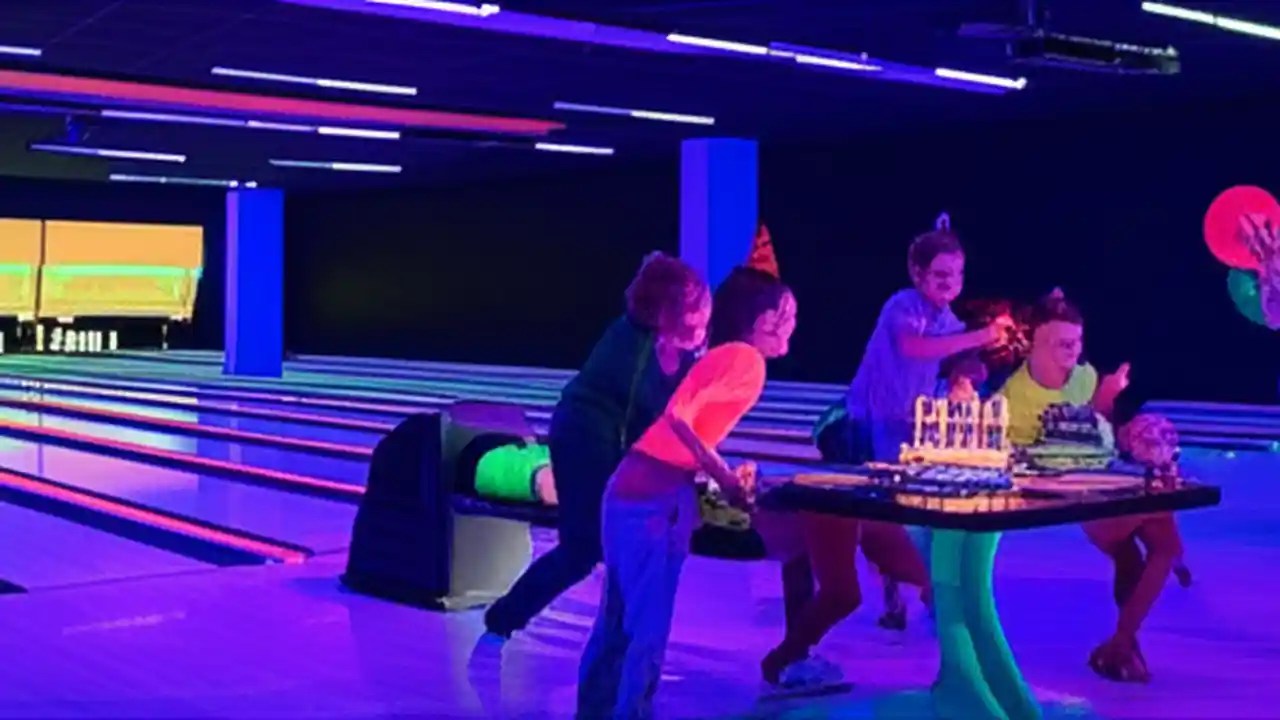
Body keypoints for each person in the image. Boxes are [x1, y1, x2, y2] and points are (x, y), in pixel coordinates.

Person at [576, 263, 796, 719]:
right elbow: (680, 418)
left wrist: (716, 472)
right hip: (654, 502)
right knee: (647, 630)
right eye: (786, 313)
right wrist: (726, 478)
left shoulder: (724, 355)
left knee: (616, 622)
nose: (793, 323)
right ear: (761, 321)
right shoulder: (746, 361)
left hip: (625, 492)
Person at [483, 252, 711, 640]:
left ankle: (514, 618)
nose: (704, 322)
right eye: (697, 312)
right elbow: (645, 424)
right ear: (669, 312)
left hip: (599, 437)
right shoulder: (637, 352)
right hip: (584, 440)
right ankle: (504, 618)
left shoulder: (659, 343)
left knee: (599, 548)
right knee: (582, 548)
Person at [998, 289, 1183, 683]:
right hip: (1074, 496)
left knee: (1147, 551)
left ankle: (1123, 646)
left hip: (1106, 479)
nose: (1072, 350)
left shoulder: (1084, 374)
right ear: (1036, 341)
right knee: (1159, 544)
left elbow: (1096, 434)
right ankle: (1121, 644)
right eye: (1062, 343)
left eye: (1077, 342)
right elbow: (1016, 459)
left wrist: (1111, 406)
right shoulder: (1013, 398)